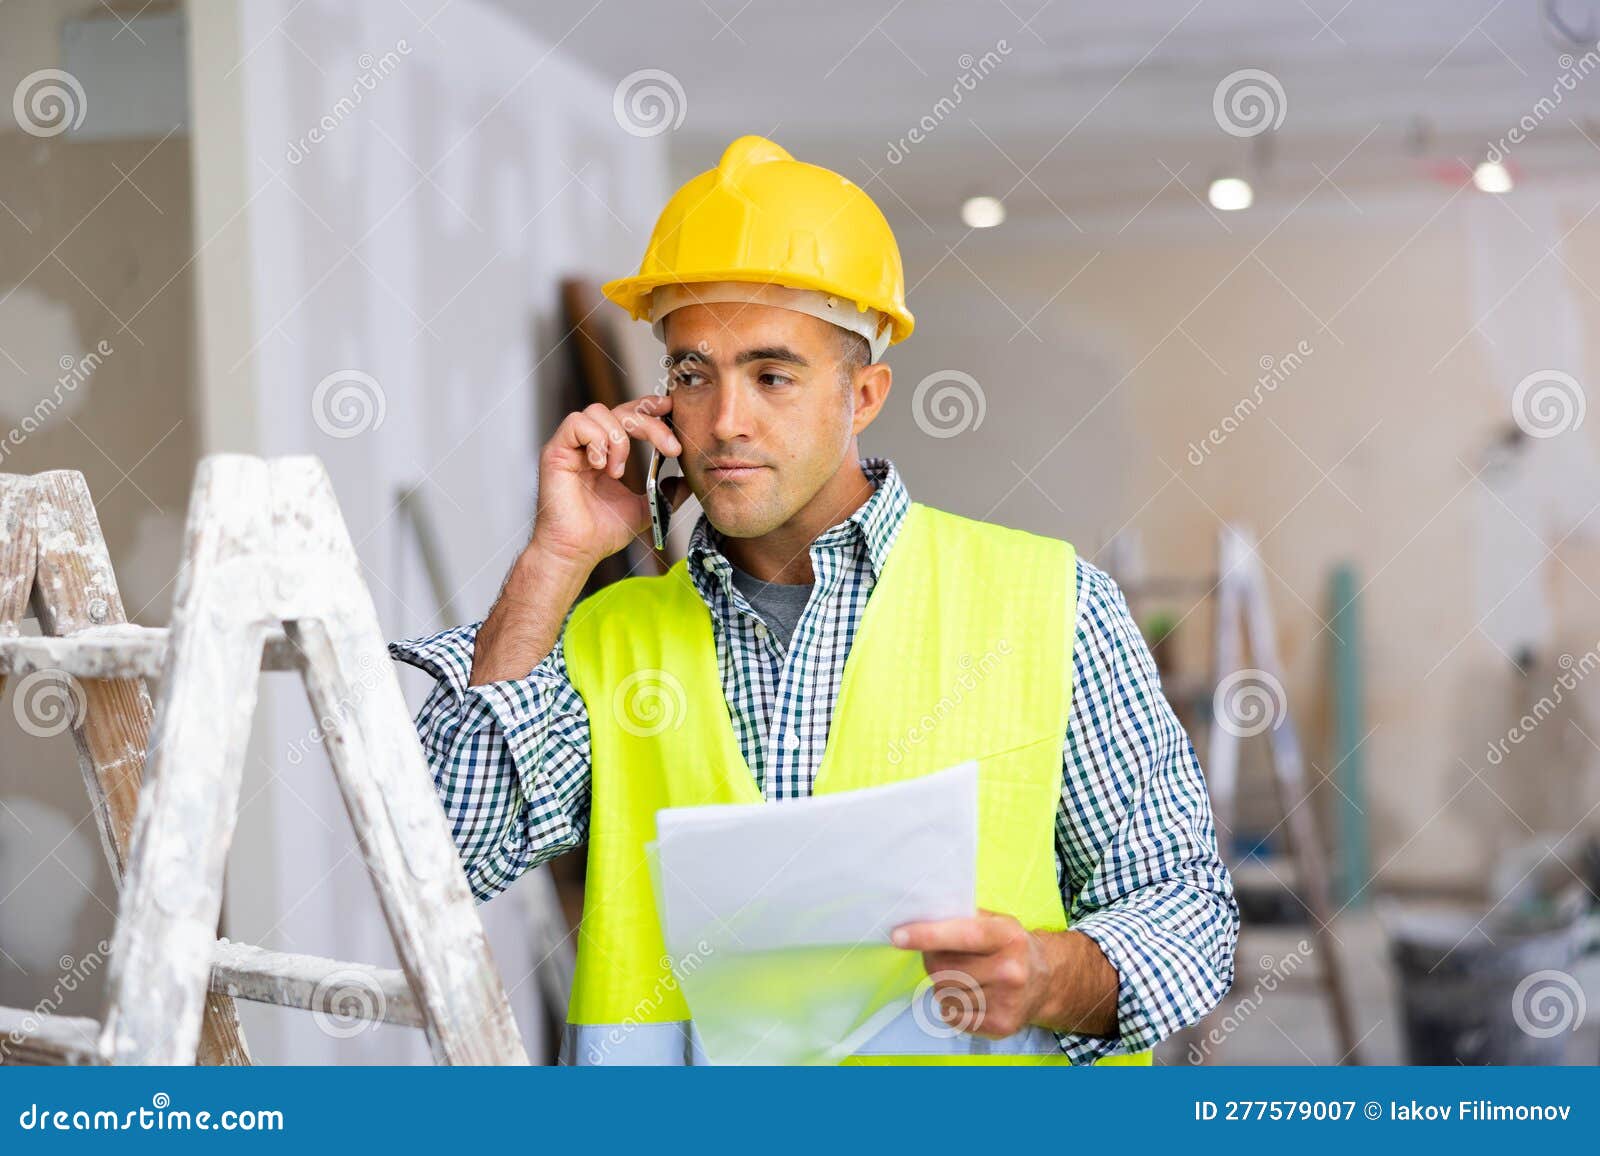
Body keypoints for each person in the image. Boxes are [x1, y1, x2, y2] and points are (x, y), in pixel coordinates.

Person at [389, 134, 1238, 1065]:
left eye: (773, 374)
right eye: (690, 373)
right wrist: (555, 556)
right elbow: (441, 858)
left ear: (863, 393)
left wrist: (1046, 976)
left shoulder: (1052, 605)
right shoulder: (602, 636)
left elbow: (1185, 913)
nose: (725, 420)